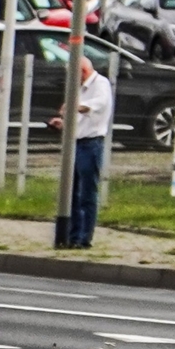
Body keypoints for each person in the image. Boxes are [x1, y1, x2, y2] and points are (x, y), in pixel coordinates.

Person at [58, 55, 113, 250]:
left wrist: (76, 106)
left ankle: (84, 237)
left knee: (87, 193)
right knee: (71, 192)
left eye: (72, 74)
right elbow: (79, 119)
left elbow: (99, 104)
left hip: (91, 144)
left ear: (82, 71)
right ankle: (72, 236)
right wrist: (63, 123)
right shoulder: (79, 88)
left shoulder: (100, 84)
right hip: (75, 142)